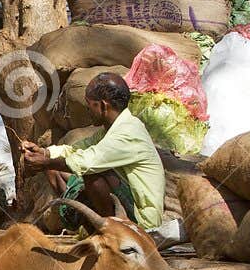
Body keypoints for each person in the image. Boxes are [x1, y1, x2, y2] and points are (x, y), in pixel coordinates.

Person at [20, 71, 164, 230]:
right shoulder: (110, 130)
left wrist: (45, 162)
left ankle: (111, 231)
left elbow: (86, 162)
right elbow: (76, 149)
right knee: (55, 168)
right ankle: (82, 217)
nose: (87, 110)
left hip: (142, 220)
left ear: (103, 105)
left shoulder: (128, 133)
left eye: (89, 105)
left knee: (93, 173)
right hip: (125, 204)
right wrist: (44, 153)